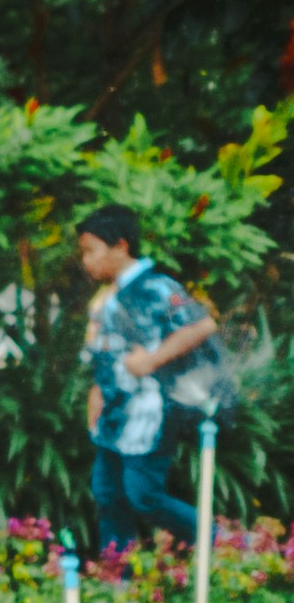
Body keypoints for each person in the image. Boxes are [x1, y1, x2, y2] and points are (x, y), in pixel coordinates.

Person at [77, 201, 227, 564]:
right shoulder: (106, 298)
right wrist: (96, 392)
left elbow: (202, 325)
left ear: (121, 246)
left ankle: (223, 543)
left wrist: (153, 360)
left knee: (143, 493)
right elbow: (105, 353)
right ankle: (117, 581)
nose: (86, 261)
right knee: (108, 493)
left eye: (91, 251)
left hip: (151, 410)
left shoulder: (157, 287)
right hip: (114, 412)